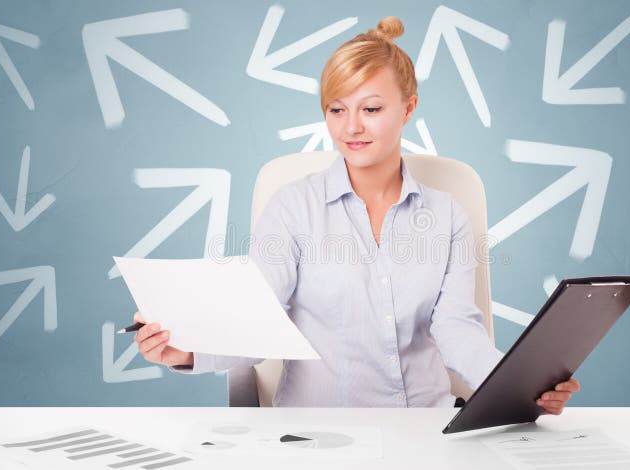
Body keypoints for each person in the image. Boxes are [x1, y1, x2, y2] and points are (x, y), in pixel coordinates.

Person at [132, 16, 581, 411]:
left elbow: (457, 328)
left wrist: (524, 390)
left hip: (428, 427)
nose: (351, 127)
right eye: (336, 109)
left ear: (408, 108)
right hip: (321, 436)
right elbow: (258, 321)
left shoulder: (447, 215)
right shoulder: (292, 208)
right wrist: (185, 351)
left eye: (371, 109)